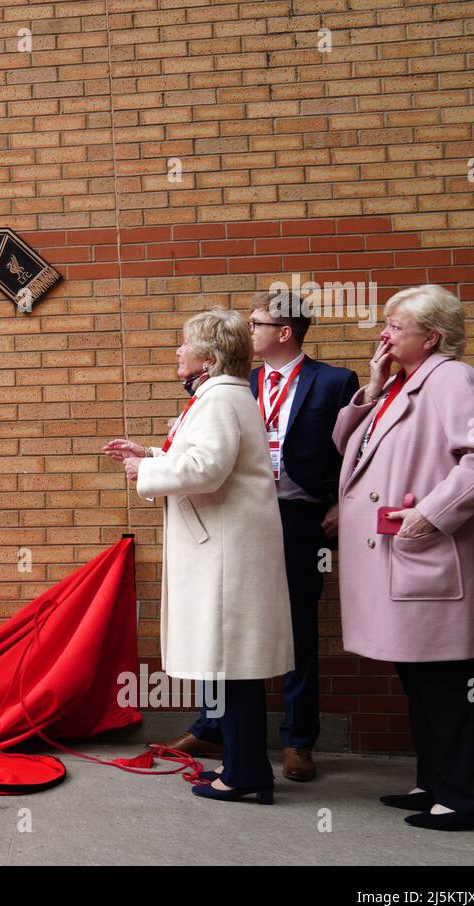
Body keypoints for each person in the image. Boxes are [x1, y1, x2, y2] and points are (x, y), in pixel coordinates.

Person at [333, 285, 474, 831]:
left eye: (394, 326)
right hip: (410, 563)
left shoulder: (453, 378)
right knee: (422, 679)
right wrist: (371, 388)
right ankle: (436, 782)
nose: (383, 334)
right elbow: (350, 453)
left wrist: (433, 513)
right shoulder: (401, 383)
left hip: (437, 555)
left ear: (431, 337)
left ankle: (467, 800)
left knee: (452, 682)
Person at [162, 291, 359, 783]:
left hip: (299, 516)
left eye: (257, 322)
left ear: (285, 331)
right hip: (242, 515)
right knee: (222, 622)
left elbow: (356, 452)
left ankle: (297, 740)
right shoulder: (235, 381)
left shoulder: (333, 381)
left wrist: (340, 502)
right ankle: (214, 726)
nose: (248, 331)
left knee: (294, 626)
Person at [105, 307, 293, 804]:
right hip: (226, 550)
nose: (177, 351)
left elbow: (207, 470)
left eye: (183, 345)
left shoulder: (218, 400)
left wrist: (143, 472)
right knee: (231, 668)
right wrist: (149, 457)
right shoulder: (224, 396)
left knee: (234, 669)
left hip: (226, 556)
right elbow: (204, 461)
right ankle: (240, 767)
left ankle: (247, 773)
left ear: (207, 358)